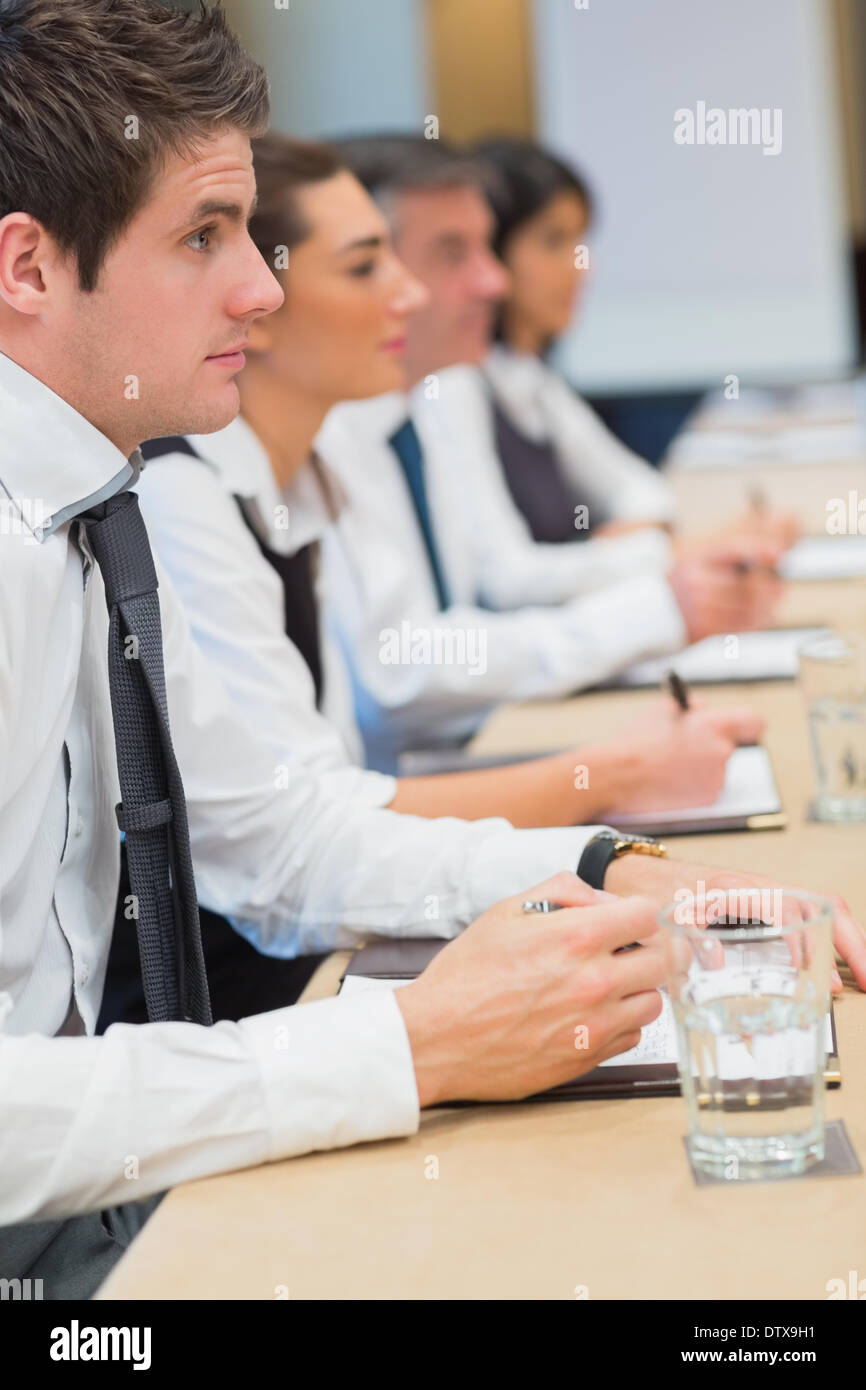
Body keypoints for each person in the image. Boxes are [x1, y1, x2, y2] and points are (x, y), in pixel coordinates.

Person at [134, 132, 763, 840]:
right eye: (369, 266)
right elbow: (343, 766)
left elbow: (329, 803)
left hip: (384, 821)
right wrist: (611, 777)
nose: (412, 291)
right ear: (260, 306)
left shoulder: (316, 462)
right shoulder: (189, 490)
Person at [317, 135, 784, 772]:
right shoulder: (354, 426)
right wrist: (656, 593)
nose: (495, 282)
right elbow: (406, 673)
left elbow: (477, 595)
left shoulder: (426, 399)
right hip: (422, 772)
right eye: (454, 253)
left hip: (463, 745)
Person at [469, 135, 801, 550]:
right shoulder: (458, 387)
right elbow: (508, 579)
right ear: (494, 251)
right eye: (554, 242)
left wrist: (642, 534)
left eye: (580, 241)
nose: (581, 268)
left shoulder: (529, 377)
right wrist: (629, 546)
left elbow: (643, 492)